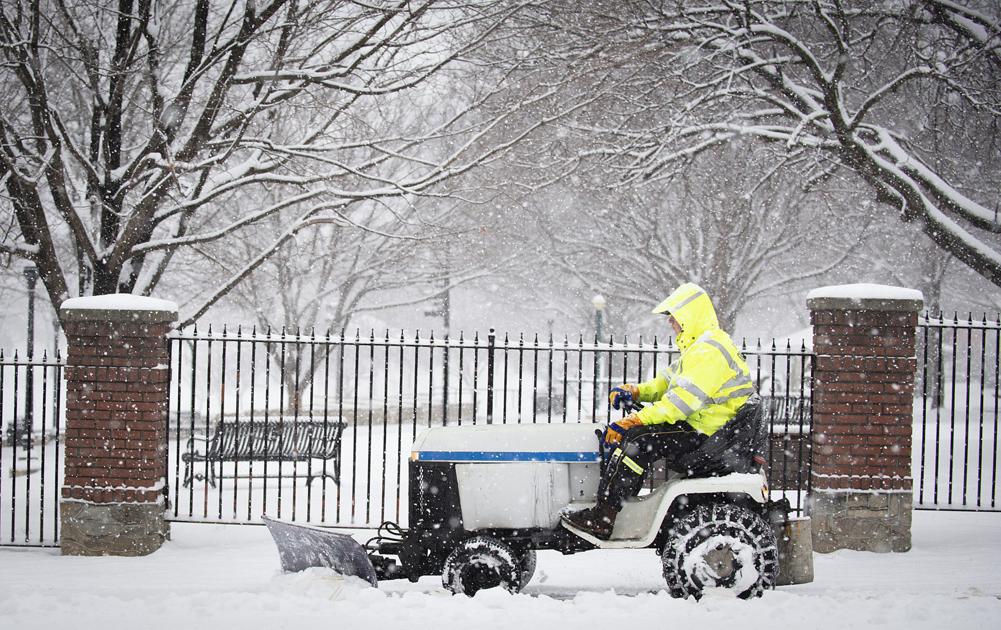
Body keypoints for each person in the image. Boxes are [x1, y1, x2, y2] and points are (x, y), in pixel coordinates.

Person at [561, 282, 756, 540]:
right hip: (704, 426)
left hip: (707, 432)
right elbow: (668, 381)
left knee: (637, 441)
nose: (670, 322)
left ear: (689, 315)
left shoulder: (709, 351)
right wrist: (637, 392)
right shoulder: (700, 346)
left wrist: (636, 420)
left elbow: (679, 404)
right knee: (637, 436)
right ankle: (618, 502)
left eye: (673, 316)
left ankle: (604, 517)